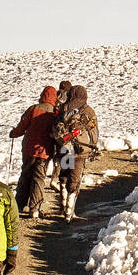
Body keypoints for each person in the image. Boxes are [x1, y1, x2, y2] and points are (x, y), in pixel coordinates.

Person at [51, 85, 99, 221]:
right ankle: (70, 210)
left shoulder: (64, 108)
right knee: (75, 178)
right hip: (81, 150)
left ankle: (63, 201)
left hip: (66, 148)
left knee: (64, 175)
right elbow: (93, 131)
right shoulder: (88, 110)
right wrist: (93, 145)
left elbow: (55, 128)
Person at [9, 85, 58, 218]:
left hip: (29, 149)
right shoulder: (55, 113)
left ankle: (19, 204)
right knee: (39, 178)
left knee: (25, 175)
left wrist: (13, 133)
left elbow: (22, 126)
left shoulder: (33, 109)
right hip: (45, 150)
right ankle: (34, 208)